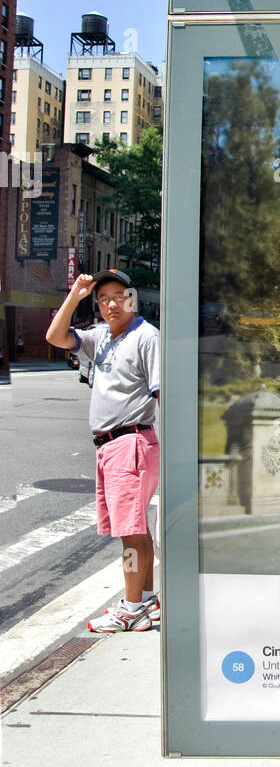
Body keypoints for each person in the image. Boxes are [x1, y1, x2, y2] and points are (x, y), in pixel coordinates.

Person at [46, 269, 162, 628]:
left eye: (117, 296)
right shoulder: (102, 337)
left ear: (132, 298)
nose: (110, 304)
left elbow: (162, 393)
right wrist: (74, 296)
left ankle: (130, 608)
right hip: (112, 447)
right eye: (102, 298)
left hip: (131, 442)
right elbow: (55, 336)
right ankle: (144, 601)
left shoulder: (146, 337)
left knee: (130, 533)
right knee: (136, 529)